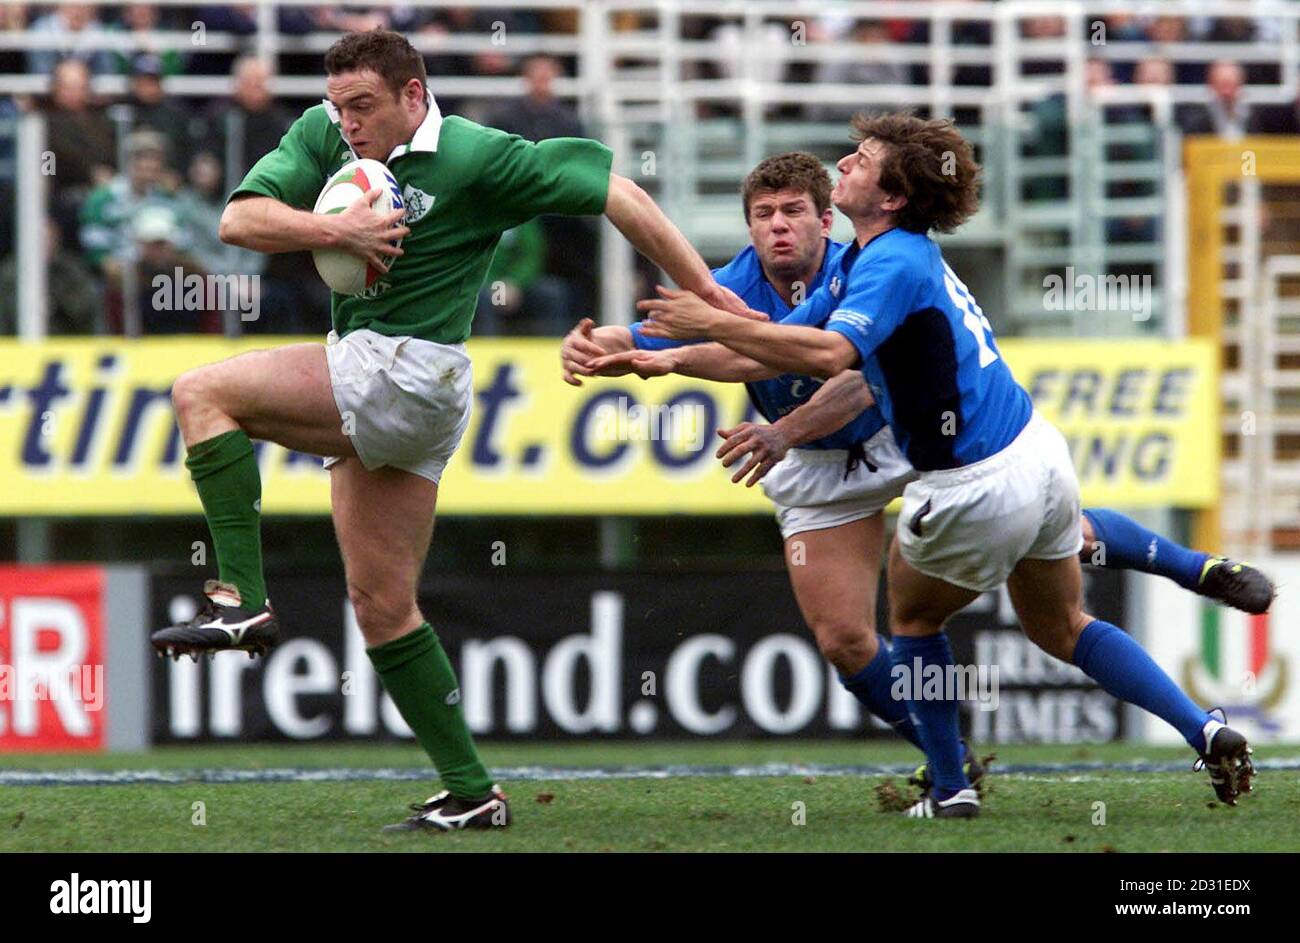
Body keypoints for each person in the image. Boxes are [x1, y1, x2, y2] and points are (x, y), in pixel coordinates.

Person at [149, 29, 746, 833]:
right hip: (395, 386)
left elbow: (617, 191)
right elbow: (239, 220)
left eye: (363, 106)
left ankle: (241, 599)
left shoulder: (476, 155)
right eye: (338, 105)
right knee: (383, 605)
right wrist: (337, 232)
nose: (348, 123)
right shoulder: (323, 135)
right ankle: (473, 793)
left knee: (200, 393)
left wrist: (706, 291)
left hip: (409, 369)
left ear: (415, 96)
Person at [592, 114, 1260, 818]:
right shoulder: (871, 255)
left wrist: (712, 327)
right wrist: (658, 354)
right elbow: (787, 337)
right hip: (1035, 447)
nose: (846, 161)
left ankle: (950, 787)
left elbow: (827, 358)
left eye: (863, 159)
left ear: (893, 195)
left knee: (910, 620)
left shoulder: (887, 263)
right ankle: (1205, 727)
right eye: (766, 212)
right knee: (1062, 623)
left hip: (971, 479)